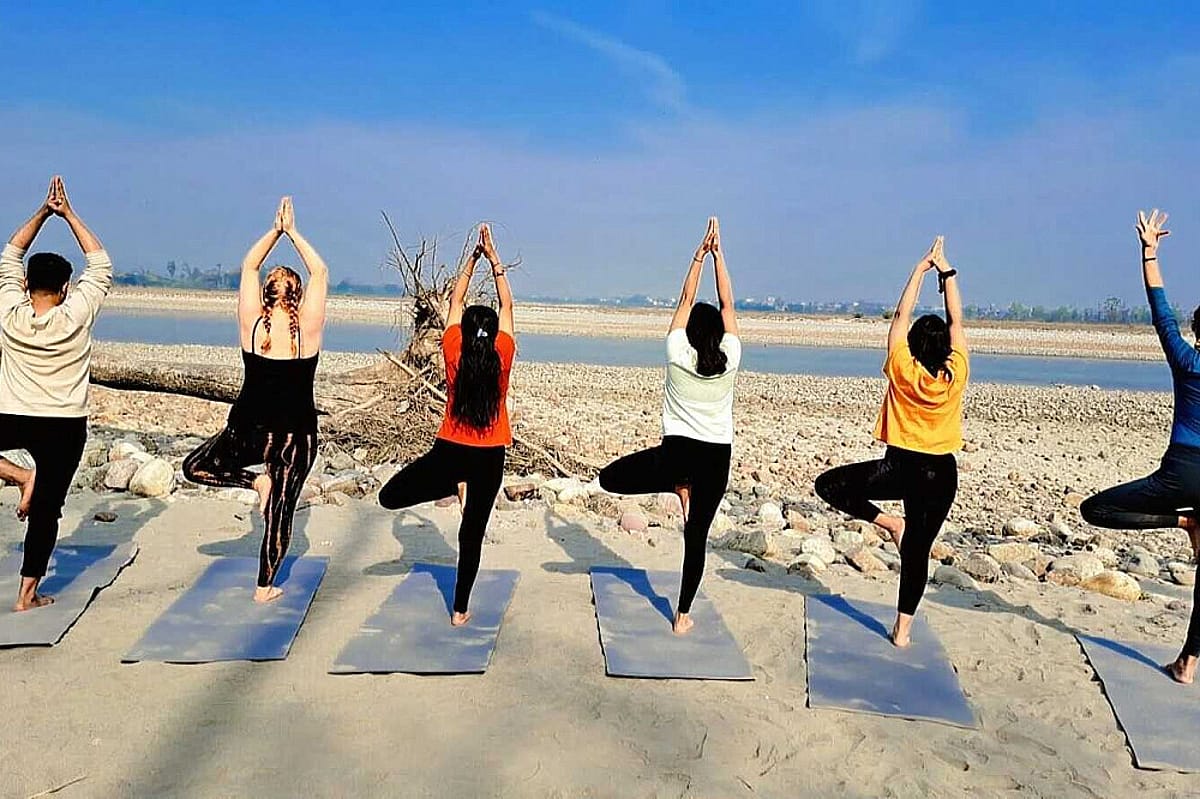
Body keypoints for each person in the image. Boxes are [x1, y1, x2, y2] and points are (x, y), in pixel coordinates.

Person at [814, 236, 968, 647]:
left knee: (828, 487)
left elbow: (901, 315)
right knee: (916, 552)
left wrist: (919, 270)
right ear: (947, 348)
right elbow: (957, 321)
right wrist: (947, 272)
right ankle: (903, 631)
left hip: (901, 468)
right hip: (941, 473)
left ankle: (888, 524)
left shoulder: (902, 367)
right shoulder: (958, 371)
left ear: (915, 346)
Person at [598, 217, 740, 635]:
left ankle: (678, 485)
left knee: (610, 479)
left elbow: (685, 298)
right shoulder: (730, 357)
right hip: (715, 457)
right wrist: (720, 257)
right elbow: (728, 306)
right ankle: (682, 616)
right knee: (696, 539)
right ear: (717, 335)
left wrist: (699, 255)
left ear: (691, 333)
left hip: (677, 453)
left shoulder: (677, 352)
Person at [182, 197, 328, 603]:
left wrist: (274, 230)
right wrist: (294, 233)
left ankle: (253, 481)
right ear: (298, 297)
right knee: (279, 515)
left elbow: (248, 266)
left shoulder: (252, 325)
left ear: (266, 294)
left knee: (194, 467)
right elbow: (320, 270)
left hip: (248, 429)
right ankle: (264, 587)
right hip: (293, 436)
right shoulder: (307, 332)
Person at [1080, 209, 1200, 685]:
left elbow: (1161, 313)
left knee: (1097, 510)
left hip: (1180, 472)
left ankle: (1184, 521)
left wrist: (1149, 252)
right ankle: (1188, 663)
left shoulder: (1188, 360)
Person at [378, 223, 516, 627]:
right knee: (471, 534)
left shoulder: (453, 348)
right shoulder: (503, 353)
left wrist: (471, 261)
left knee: (390, 497)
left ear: (466, 331)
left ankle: (451, 484)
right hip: (490, 457)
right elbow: (508, 308)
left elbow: (454, 302)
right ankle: (460, 610)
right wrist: (495, 261)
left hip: (450, 451)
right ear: (492, 336)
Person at [0, 176, 113, 612]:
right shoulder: (76, 315)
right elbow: (99, 263)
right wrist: (67, 214)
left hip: (12, 413)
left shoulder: (11, 312)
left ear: (27, 284)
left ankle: (16, 474)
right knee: (47, 509)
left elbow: (10, 254)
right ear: (66, 288)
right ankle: (27, 595)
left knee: (46, 504)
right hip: (64, 424)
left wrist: (43, 212)